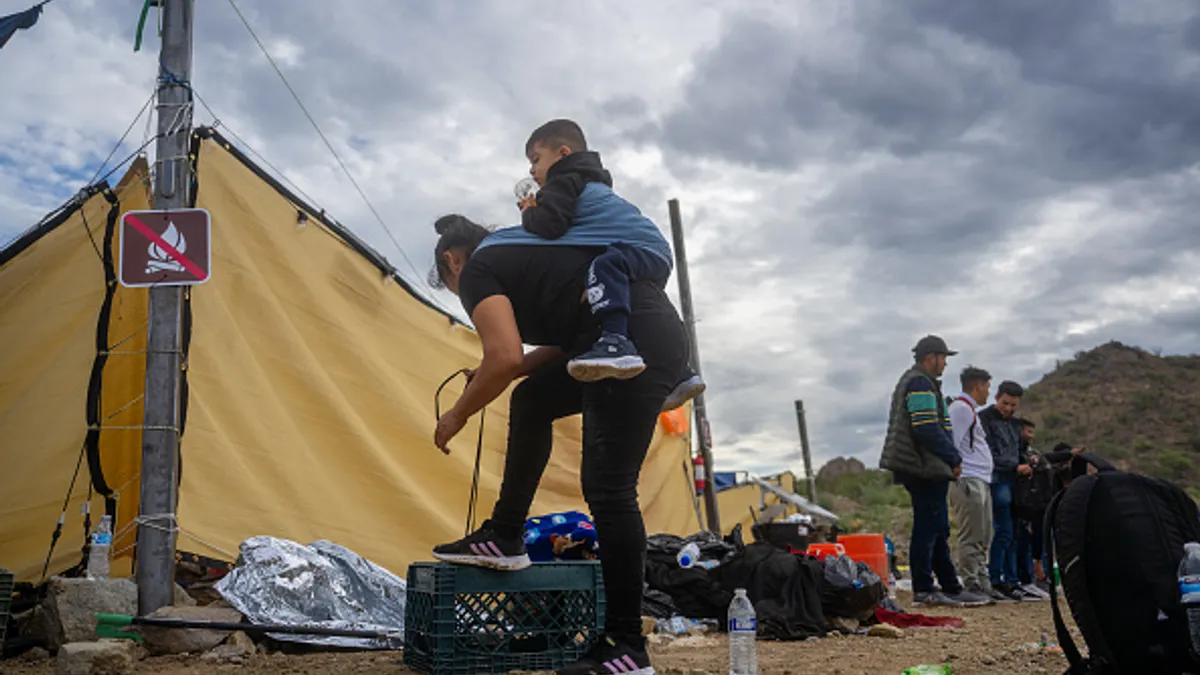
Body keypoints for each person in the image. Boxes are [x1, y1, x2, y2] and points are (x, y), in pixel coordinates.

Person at [428, 214, 686, 674]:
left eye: (452, 287)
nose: (466, 301)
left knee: (608, 489)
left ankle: (626, 647)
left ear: (452, 261)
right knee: (532, 399)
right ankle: (506, 534)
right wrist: (496, 374)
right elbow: (554, 345)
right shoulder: (529, 261)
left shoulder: (480, 269)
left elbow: (502, 355)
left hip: (635, 341)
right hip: (625, 336)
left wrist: (457, 413)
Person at [508, 118, 704, 410]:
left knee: (602, 269)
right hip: (651, 252)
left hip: (636, 250)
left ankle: (614, 342)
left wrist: (529, 210)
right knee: (623, 297)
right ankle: (681, 374)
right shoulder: (588, 181)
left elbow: (550, 225)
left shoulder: (564, 181)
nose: (531, 170)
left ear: (563, 155)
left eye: (536, 160)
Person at [879, 335, 990, 607]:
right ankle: (924, 589)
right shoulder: (920, 383)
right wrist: (952, 456)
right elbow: (926, 427)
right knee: (928, 528)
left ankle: (950, 586)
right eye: (943, 359)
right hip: (923, 467)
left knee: (938, 526)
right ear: (931, 357)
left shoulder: (921, 382)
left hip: (924, 466)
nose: (945, 365)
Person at [978, 380, 1039, 601]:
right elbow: (987, 454)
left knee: (1013, 533)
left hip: (1015, 482)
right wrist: (1014, 466)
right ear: (997, 397)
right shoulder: (984, 419)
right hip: (997, 480)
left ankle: (1011, 581)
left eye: (1013, 405)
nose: (1009, 409)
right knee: (1003, 532)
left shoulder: (1015, 424)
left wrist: (1027, 459)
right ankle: (996, 578)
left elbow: (1018, 449)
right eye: (1005, 403)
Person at [947, 366, 998, 601]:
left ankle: (982, 579)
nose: (989, 392)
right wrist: (958, 468)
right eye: (987, 387)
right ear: (977, 386)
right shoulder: (960, 409)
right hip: (968, 478)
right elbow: (952, 443)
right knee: (972, 534)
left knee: (984, 533)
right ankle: (972, 582)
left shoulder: (970, 411)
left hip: (980, 478)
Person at [1012, 418, 1052, 599]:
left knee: (1033, 542)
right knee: (1019, 543)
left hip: (1034, 506)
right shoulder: (1015, 452)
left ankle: (1029, 579)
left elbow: (1045, 462)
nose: (1031, 436)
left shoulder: (1032, 453)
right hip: (1021, 504)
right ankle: (1021, 580)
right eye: (1028, 432)